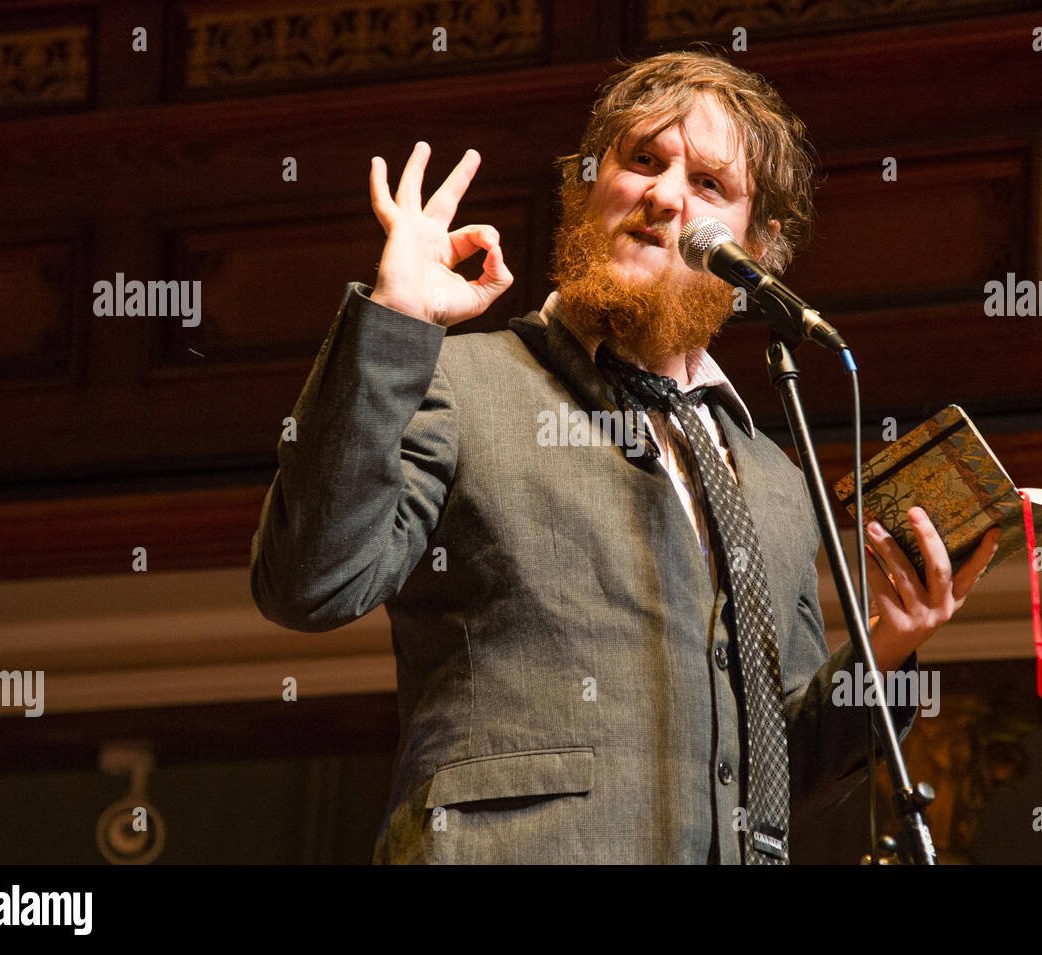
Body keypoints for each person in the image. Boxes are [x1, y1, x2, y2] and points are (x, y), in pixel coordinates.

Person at [250, 50, 1000, 864]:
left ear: (759, 247)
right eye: (642, 160)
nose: (665, 194)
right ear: (587, 184)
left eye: (710, 184)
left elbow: (776, 778)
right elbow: (308, 582)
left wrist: (888, 644)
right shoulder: (462, 383)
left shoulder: (778, 482)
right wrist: (397, 316)